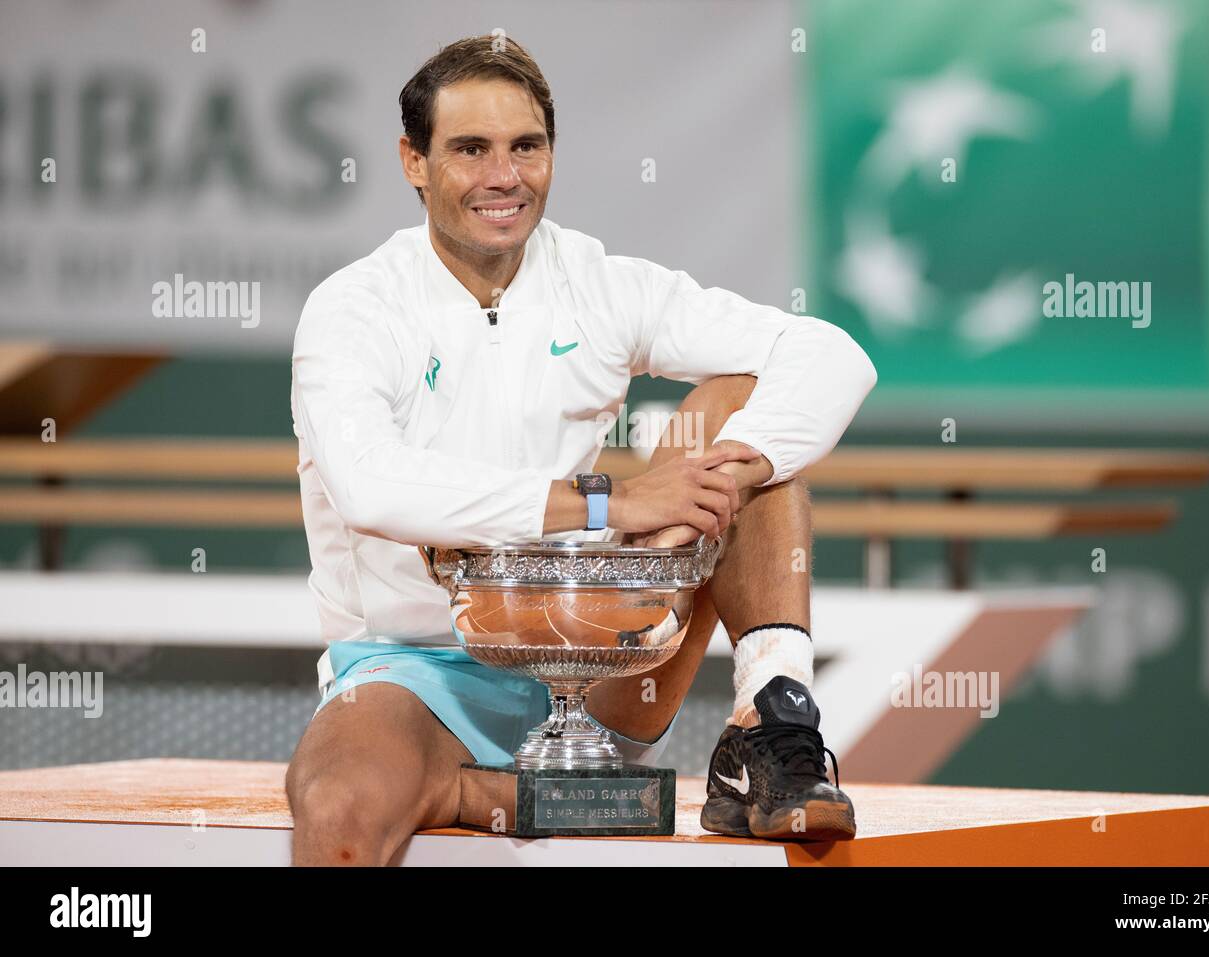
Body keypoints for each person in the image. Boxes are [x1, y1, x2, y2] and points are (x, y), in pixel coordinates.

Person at [286, 34, 877, 865]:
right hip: (417, 677)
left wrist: (724, 478)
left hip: (602, 656)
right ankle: (474, 785)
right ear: (412, 162)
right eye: (470, 150)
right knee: (341, 808)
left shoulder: (599, 284)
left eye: (526, 147)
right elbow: (369, 484)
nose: (504, 177)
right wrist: (609, 502)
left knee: (739, 411)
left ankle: (771, 721)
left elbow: (831, 354)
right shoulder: (353, 308)